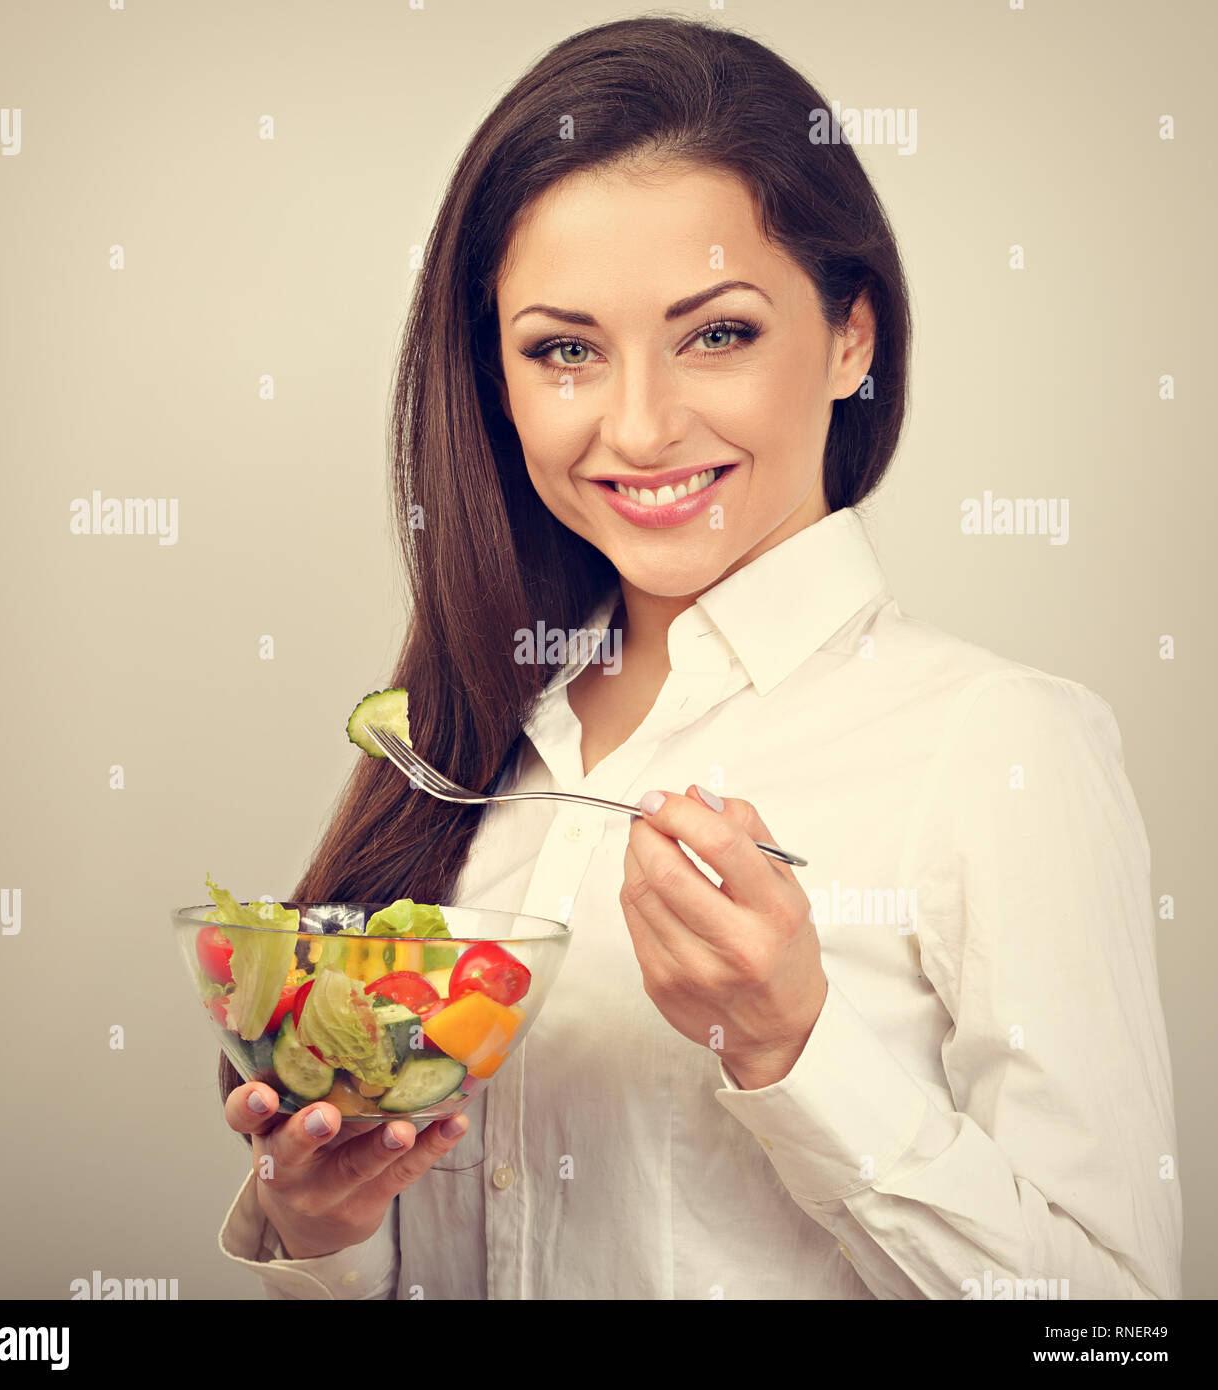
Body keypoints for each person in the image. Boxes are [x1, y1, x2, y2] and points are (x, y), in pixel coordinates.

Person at [215, 14, 1182, 1299]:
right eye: (565, 350)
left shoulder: (1002, 747)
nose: (640, 424)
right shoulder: (458, 752)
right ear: (494, 379)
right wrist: (325, 1227)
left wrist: (796, 1049)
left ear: (851, 337)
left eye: (715, 333)